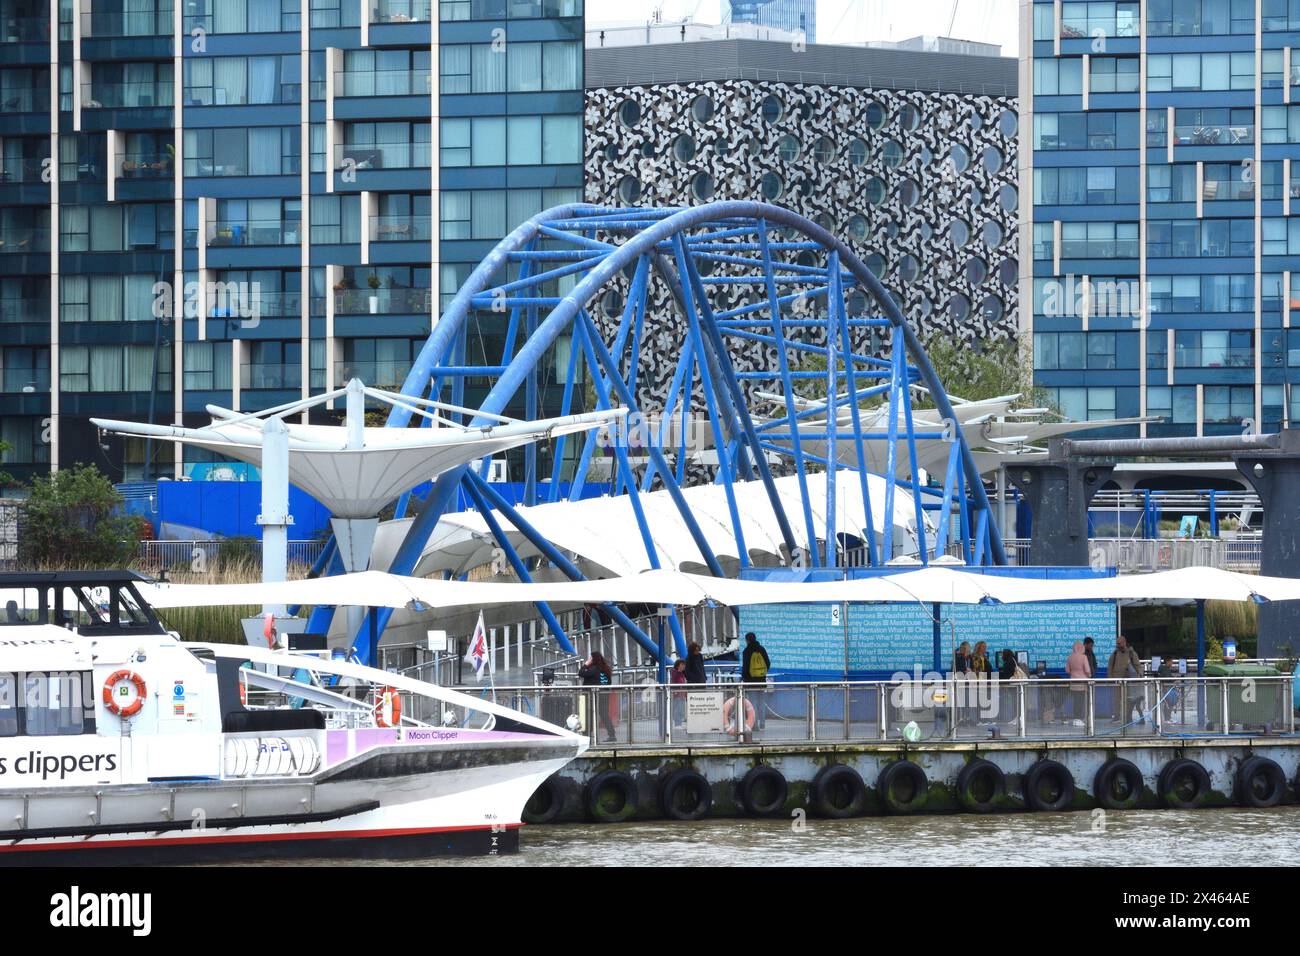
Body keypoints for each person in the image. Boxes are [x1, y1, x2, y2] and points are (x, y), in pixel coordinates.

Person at [579, 651, 617, 742]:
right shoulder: (606, 668)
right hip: (604, 694)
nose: (589, 660)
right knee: (604, 714)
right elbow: (608, 682)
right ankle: (612, 735)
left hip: (595, 694)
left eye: (590, 658)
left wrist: (585, 664)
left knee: (591, 713)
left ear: (593, 659)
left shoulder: (594, 669)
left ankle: (587, 734)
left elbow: (581, 673)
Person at [1108, 634, 1144, 723]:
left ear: (1124, 642)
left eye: (1119, 643)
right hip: (1117, 680)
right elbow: (1110, 666)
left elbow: (1137, 664)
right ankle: (1117, 716)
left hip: (1128, 681)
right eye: (1117, 643)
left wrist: (1140, 673)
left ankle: (1127, 717)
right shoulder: (1115, 653)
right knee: (1117, 699)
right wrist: (1110, 678)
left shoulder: (1131, 653)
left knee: (1128, 700)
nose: (1118, 645)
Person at [740, 632, 771, 730]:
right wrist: (762, 674)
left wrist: (744, 679)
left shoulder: (746, 651)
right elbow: (768, 663)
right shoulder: (761, 649)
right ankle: (762, 723)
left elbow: (745, 668)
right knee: (761, 702)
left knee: (753, 703)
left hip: (750, 681)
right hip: (761, 680)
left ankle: (754, 725)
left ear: (747, 640)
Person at [1064, 640, 1091, 722]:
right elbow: (1087, 670)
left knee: (1076, 701)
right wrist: (1089, 675)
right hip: (1083, 683)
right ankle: (1080, 718)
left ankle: (1076, 717)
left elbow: (1067, 670)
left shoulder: (1070, 657)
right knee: (1082, 701)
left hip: (1073, 683)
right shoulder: (1084, 657)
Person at [670, 658, 688, 727]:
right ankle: (677, 724)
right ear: (678, 666)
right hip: (677, 695)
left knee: (680, 710)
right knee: (678, 710)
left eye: (684, 664)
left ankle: (679, 724)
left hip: (682, 695)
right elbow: (674, 682)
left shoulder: (682, 674)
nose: (684, 666)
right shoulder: (675, 673)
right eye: (682, 664)